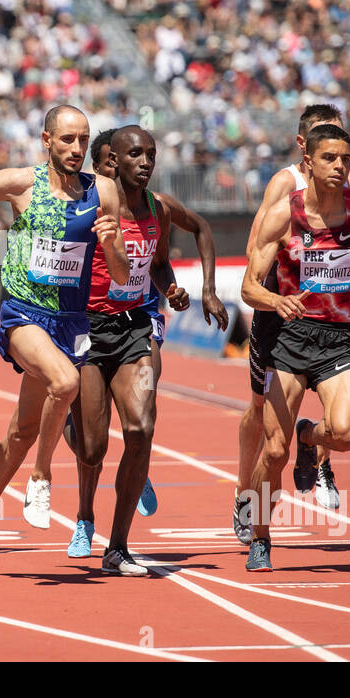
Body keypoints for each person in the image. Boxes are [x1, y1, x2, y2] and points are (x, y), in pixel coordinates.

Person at [0, 104, 129, 569]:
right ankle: (42, 478)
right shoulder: (20, 182)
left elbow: (124, 273)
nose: (76, 149)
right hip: (24, 315)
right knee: (65, 383)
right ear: (47, 141)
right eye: (67, 140)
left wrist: (110, 243)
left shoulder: (102, 190)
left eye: (83, 140)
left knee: (23, 430)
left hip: (72, 322)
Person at [55, 128, 228, 549]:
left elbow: (168, 258)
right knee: (92, 449)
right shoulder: (87, 205)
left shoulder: (159, 209)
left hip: (139, 322)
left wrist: (189, 289)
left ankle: (119, 539)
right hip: (90, 329)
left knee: (141, 426)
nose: (147, 162)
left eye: (152, 154)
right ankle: (83, 506)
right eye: (136, 154)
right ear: (111, 161)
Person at [240, 123, 350, 572]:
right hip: (289, 339)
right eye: (330, 158)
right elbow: (249, 287)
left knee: (346, 434)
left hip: (338, 337)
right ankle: (261, 536)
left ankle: (310, 436)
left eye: (345, 158)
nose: (339, 166)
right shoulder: (283, 216)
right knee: (273, 451)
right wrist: (275, 300)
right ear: (308, 163)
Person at [234, 104, 350, 544]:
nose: (340, 162)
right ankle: (243, 494)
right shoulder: (283, 185)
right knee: (262, 419)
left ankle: (321, 461)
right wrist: (279, 293)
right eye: (328, 149)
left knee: (340, 409)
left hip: (330, 321)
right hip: (278, 315)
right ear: (304, 148)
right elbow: (256, 250)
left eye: (343, 148)